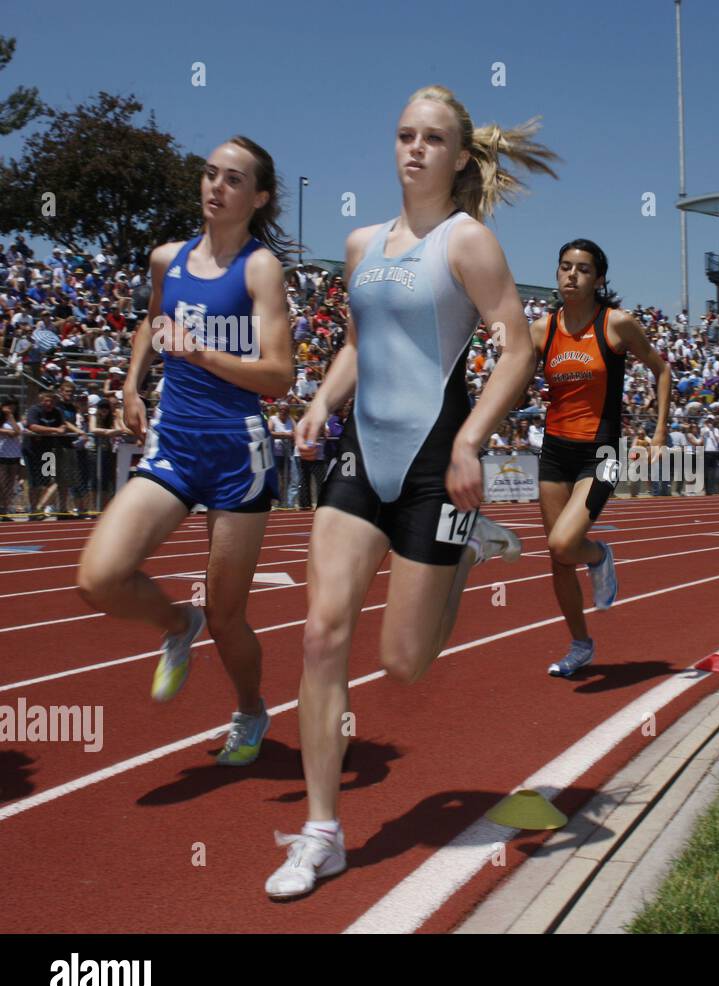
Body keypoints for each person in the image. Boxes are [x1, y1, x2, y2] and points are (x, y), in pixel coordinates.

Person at [265, 85, 557, 899]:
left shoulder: (470, 244)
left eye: (432, 138)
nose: (414, 149)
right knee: (323, 634)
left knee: (404, 663)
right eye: (403, 135)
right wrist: (322, 402)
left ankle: (467, 545)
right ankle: (322, 833)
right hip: (360, 454)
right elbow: (360, 341)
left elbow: (518, 347)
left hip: (436, 462)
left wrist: (470, 440)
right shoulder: (361, 243)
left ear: (461, 156)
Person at [75, 136, 296, 767]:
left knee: (229, 617)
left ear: (257, 198)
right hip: (174, 445)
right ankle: (176, 625)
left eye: (232, 180)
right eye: (208, 174)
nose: (214, 187)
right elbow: (153, 319)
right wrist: (131, 379)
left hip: (237, 456)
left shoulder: (259, 269)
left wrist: (197, 352)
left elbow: (278, 377)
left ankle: (251, 709)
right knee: (98, 577)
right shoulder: (165, 258)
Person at [533, 239, 669, 677]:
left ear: (599, 279)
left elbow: (661, 369)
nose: (572, 275)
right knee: (557, 560)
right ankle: (580, 645)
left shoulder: (617, 325)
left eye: (583, 269)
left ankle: (598, 557)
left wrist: (659, 433)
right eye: (565, 267)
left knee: (563, 544)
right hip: (555, 451)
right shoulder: (541, 330)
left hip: (603, 451)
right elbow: (513, 379)